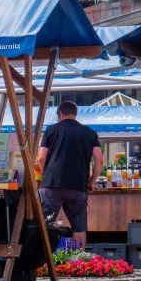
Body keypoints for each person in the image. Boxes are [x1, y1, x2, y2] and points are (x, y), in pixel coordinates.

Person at [36, 101, 103, 248]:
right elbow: (99, 161)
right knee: (79, 227)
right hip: (78, 187)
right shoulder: (90, 133)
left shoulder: (51, 130)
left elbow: (41, 158)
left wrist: (46, 175)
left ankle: (42, 262)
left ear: (60, 114)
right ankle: (79, 262)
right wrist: (91, 182)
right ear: (75, 114)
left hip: (52, 186)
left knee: (45, 224)